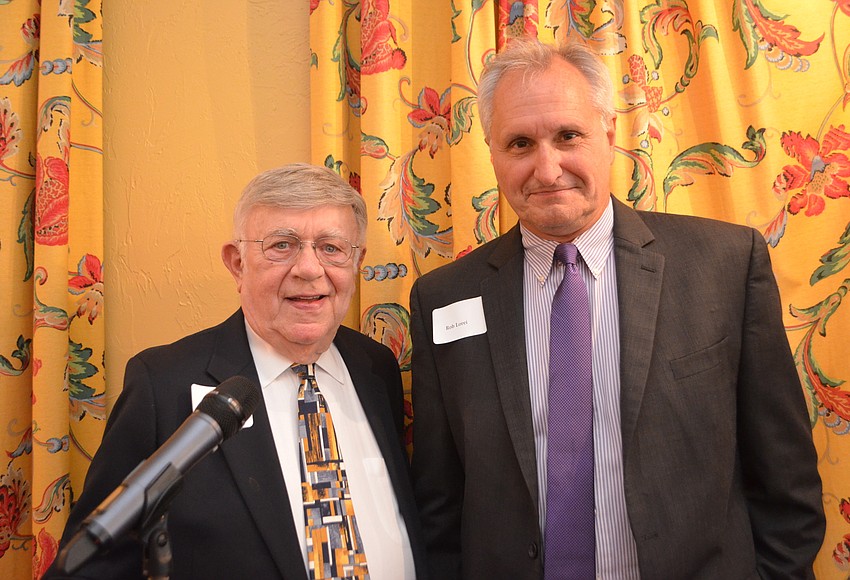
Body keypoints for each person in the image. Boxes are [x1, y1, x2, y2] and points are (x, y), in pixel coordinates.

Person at [409, 38, 824, 579]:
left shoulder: (724, 267)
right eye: (519, 143)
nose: (548, 167)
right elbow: (440, 507)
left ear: (607, 135)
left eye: (567, 135)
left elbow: (785, 480)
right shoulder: (443, 297)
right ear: (491, 152)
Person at [48, 163, 426, 579]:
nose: (309, 268)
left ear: (357, 262)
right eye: (281, 245)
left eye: (331, 248)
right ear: (237, 263)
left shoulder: (376, 367)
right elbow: (92, 565)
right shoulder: (163, 385)